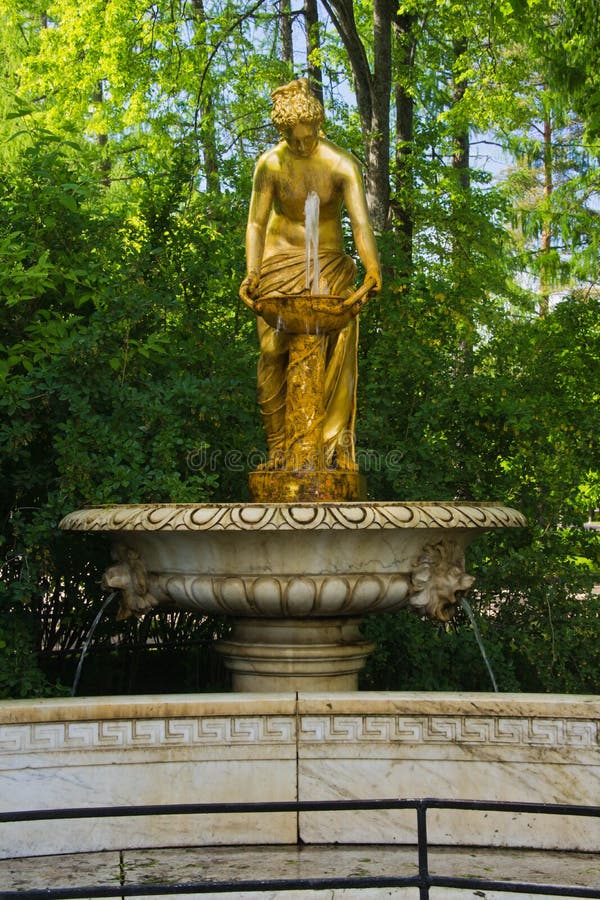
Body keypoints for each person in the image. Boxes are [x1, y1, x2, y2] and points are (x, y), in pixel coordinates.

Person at [240, 79, 381, 471]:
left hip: (328, 264)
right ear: (283, 132)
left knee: (341, 332)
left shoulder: (340, 164)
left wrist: (372, 268)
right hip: (278, 265)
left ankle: (331, 450)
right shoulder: (270, 164)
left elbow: (361, 224)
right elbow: (255, 224)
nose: (302, 145)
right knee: (271, 352)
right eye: (294, 139)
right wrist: (252, 273)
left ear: (318, 125)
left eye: (309, 137)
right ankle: (279, 449)